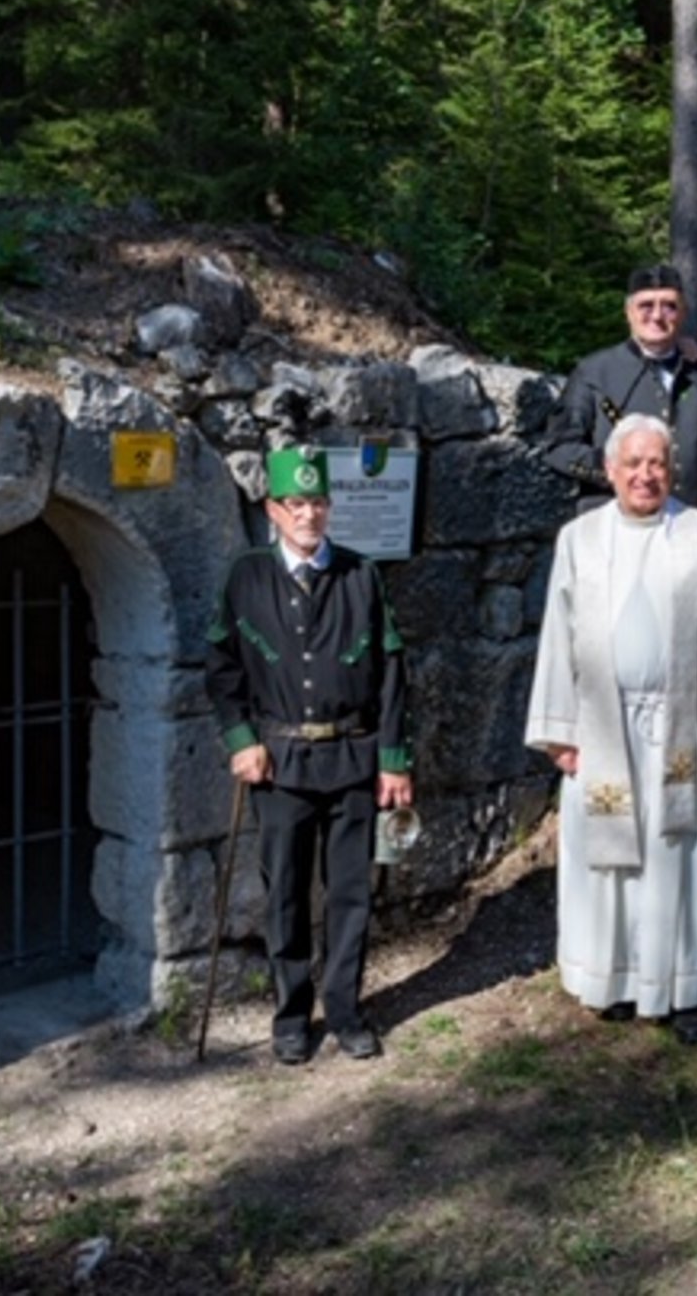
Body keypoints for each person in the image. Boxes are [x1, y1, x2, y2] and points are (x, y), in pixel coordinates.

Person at [525, 415, 697, 1044]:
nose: (646, 475)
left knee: (676, 852)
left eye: (657, 463)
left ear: (673, 469)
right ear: (610, 470)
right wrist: (560, 729)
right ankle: (609, 979)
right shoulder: (580, 537)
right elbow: (557, 633)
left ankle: (679, 986)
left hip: (676, 725)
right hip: (602, 726)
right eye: (633, 464)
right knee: (608, 853)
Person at [204, 446, 414, 1065]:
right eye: (295, 504)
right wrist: (241, 741)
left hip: (352, 759)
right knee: (286, 894)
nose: (308, 515)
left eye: (318, 502)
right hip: (281, 763)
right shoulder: (247, 576)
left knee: (350, 893)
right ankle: (291, 1014)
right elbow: (220, 667)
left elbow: (392, 674)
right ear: (273, 509)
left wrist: (394, 760)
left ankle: (345, 1010)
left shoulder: (360, 574)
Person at [539, 263, 697, 532]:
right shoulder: (594, 372)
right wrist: (617, 469)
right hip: (616, 529)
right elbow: (558, 448)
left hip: (691, 529)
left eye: (669, 306)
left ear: (683, 313)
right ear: (628, 311)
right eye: (646, 305)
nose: (657, 316)